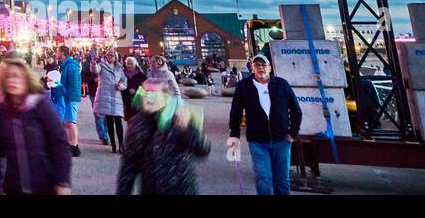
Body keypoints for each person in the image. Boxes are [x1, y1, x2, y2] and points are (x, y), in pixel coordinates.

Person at [0, 56, 72, 195]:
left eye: (17, 76)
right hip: (14, 185)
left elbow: (59, 142)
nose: (12, 80)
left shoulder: (40, 103)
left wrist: (62, 180)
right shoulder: (2, 109)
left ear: (26, 79)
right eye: (8, 76)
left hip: (44, 184)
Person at [227, 53, 302, 196]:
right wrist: (234, 136)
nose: (260, 68)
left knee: (282, 179)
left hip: (282, 140)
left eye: (263, 65)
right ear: (252, 68)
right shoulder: (244, 86)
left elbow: (296, 110)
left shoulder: (282, 84)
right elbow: (235, 112)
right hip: (257, 141)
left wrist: (293, 133)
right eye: (257, 65)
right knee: (263, 177)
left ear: (270, 68)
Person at [117, 81, 211, 194]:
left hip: (181, 189)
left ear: (165, 96)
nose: (148, 98)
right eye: (145, 93)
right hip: (150, 190)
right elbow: (129, 165)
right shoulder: (136, 124)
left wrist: (188, 129)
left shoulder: (179, 118)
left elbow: (202, 150)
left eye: (154, 94)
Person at [94, 52, 128, 152]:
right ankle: (113, 144)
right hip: (106, 96)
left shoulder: (119, 68)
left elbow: (124, 81)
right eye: (108, 55)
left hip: (116, 96)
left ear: (115, 57)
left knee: (118, 122)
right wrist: (93, 63)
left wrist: (121, 86)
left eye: (112, 56)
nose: (110, 57)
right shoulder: (102, 66)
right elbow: (95, 70)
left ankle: (121, 144)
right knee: (109, 122)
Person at [57, 45, 82, 156]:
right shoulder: (66, 65)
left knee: (71, 122)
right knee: (69, 122)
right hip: (69, 97)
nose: (56, 54)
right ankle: (71, 144)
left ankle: (74, 146)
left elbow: (74, 83)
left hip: (71, 98)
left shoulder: (71, 66)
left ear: (62, 53)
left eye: (57, 52)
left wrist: (67, 95)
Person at [122, 55, 147, 121]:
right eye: (128, 64)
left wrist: (136, 89)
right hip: (127, 100)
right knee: (129, 120)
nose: (129, 65)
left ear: (135, 64)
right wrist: (127, 89)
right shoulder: (122, 73)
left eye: (131, 64)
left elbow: (146, 85)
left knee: (139, 120)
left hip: (138, 100)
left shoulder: (140, 74)